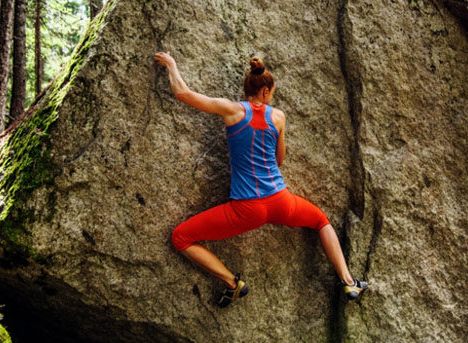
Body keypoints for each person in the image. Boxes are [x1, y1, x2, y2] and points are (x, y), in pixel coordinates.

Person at [154, 51, 368, 308]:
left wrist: (171, 65)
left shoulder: (231, 110)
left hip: (246, 209)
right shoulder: (278, 117)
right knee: (321, 221)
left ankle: (233, 284)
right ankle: (348, 281)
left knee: (181, 237)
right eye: (273, 93)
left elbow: (184, 94)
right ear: (265, 91)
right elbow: (279, 159)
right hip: (281, 201)